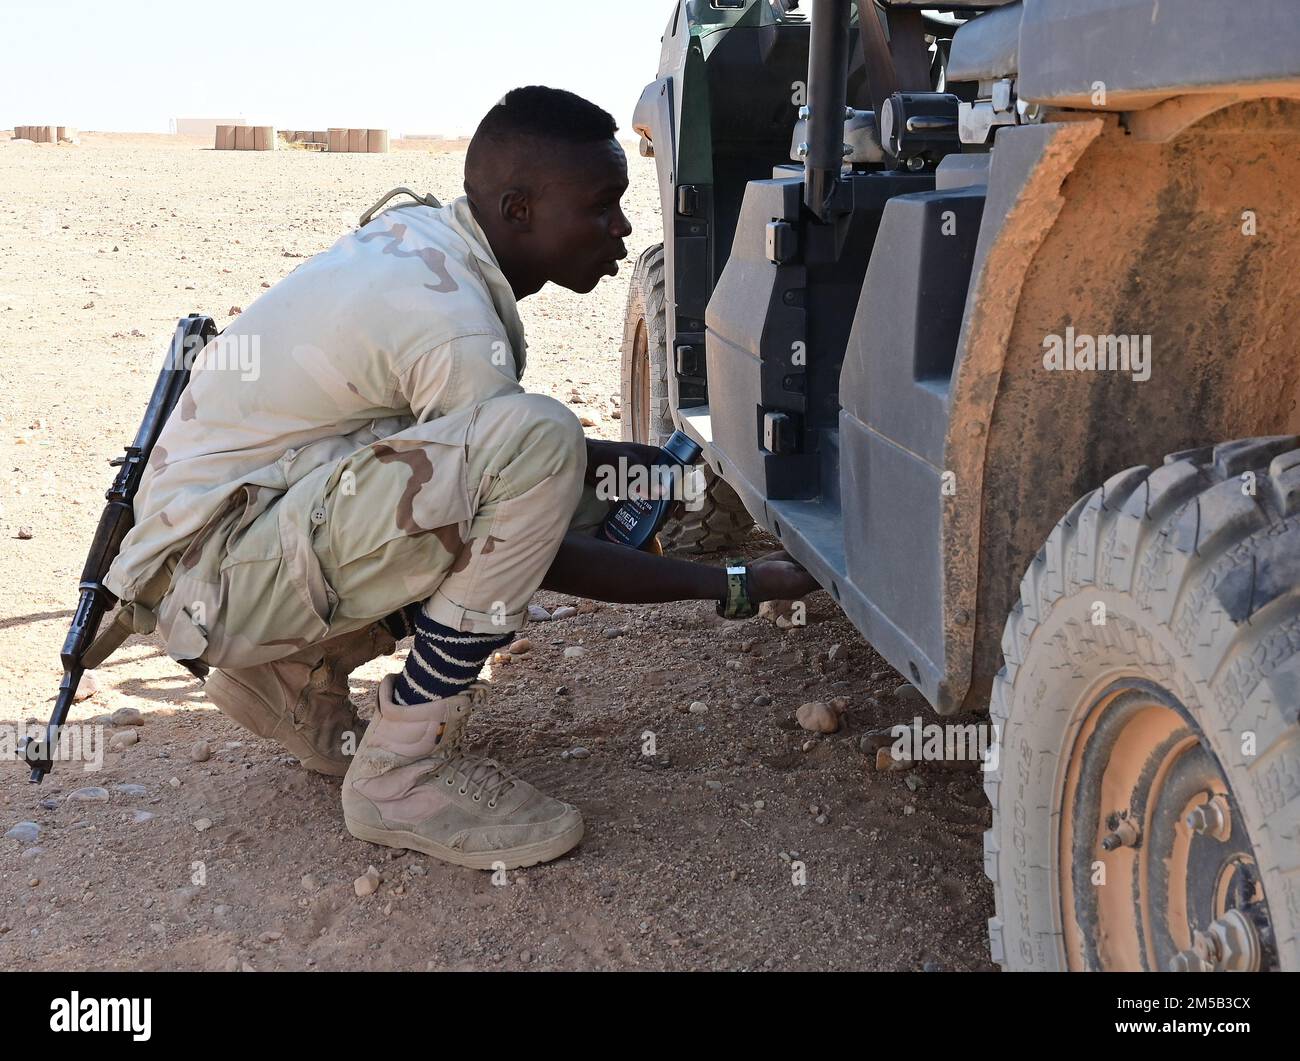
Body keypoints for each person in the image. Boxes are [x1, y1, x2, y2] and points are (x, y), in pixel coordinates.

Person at [104, 86, 817, 870]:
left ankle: (284, 676)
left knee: (539, 457)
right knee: (536, 448)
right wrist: (730, 584)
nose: (622, 227)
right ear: (518, 210)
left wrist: (643, 474)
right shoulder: (454, 325)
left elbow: (469, 464)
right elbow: (528, 535)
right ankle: (403, 772)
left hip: (216, 559)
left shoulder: (428, 245)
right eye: (601, 205)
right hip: (222, 578)